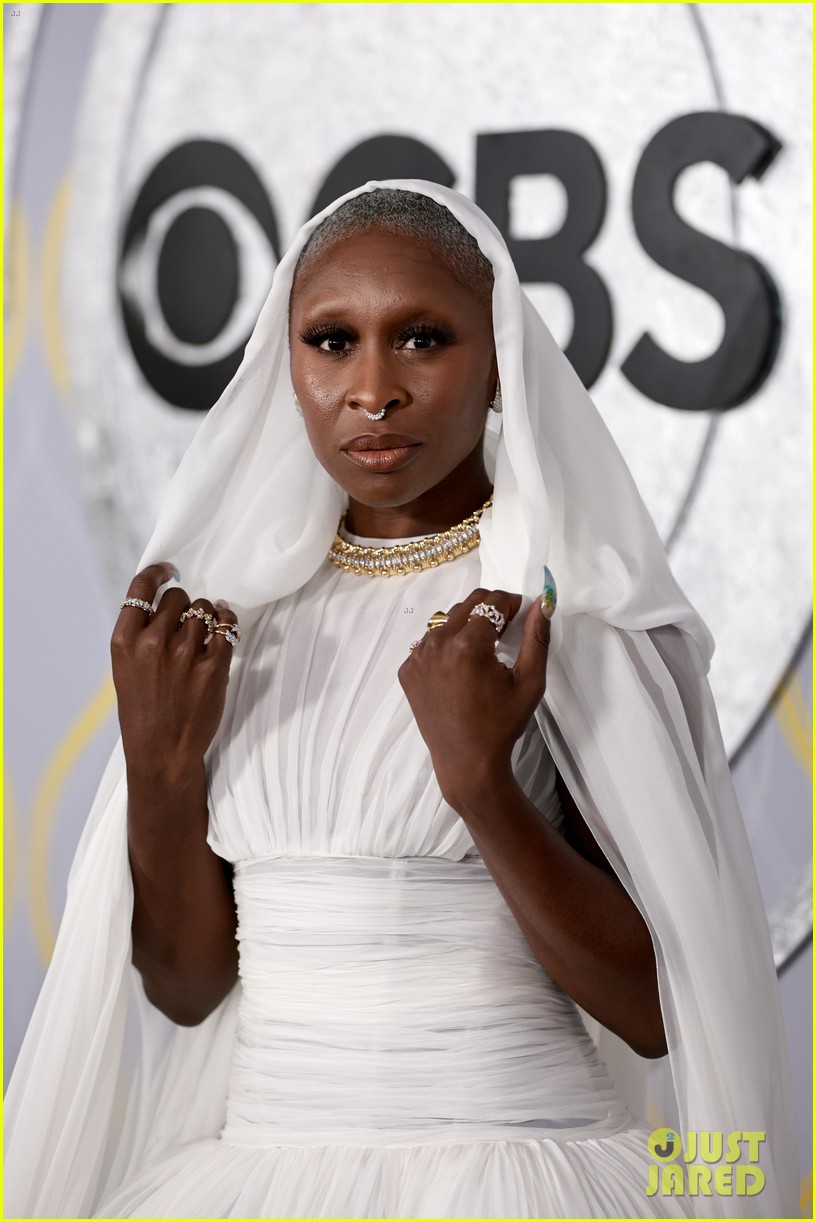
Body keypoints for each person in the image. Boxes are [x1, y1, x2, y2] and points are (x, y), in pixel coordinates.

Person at [4, 180, 798, 1219]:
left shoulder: (576, 620)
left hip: (528, 1181)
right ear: (285, 364)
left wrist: (481, 783)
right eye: (331, 341)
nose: (371, 388)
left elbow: (661, 1012)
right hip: (254, 1177)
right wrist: (160, 764)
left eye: (422, 339)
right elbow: (189, 988)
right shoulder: (240, 625)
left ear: (504, 361)